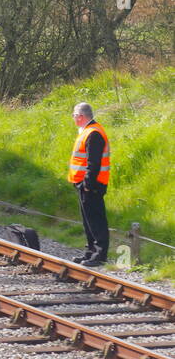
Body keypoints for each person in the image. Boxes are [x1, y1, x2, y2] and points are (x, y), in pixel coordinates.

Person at [68, 102, 110, 267]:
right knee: (88, 220)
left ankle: (99, 255)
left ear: (80, 116)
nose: (73, 118)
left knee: (95, 219)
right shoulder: (87, 131)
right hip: (84, 184)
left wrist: (87, 184)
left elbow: (94, 163)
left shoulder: (94, 133)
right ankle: (91, 252)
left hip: (92, 185)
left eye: (74, 115)